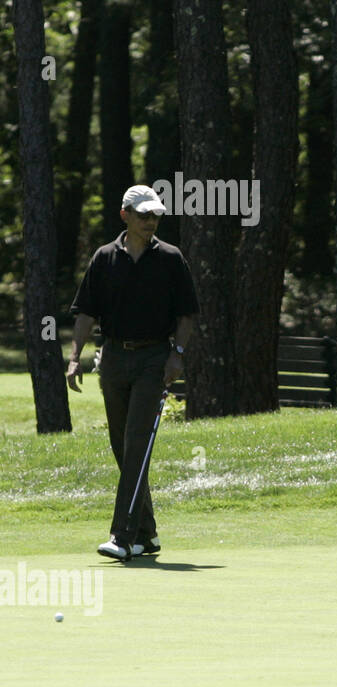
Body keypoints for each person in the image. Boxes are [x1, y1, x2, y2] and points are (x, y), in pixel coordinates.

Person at [66, 185, 200, 561]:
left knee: (137, 443)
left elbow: (187, 313)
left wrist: (177, 354)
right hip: (113, 360)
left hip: (154, 359)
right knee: (122, 448)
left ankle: (122, 537)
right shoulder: (104, 257)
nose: (151, 221)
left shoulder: (171, 258)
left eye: (155, 215)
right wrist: (75, 357)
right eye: (144, 215)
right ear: (125, 215)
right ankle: (148, 533)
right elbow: (86, 313)